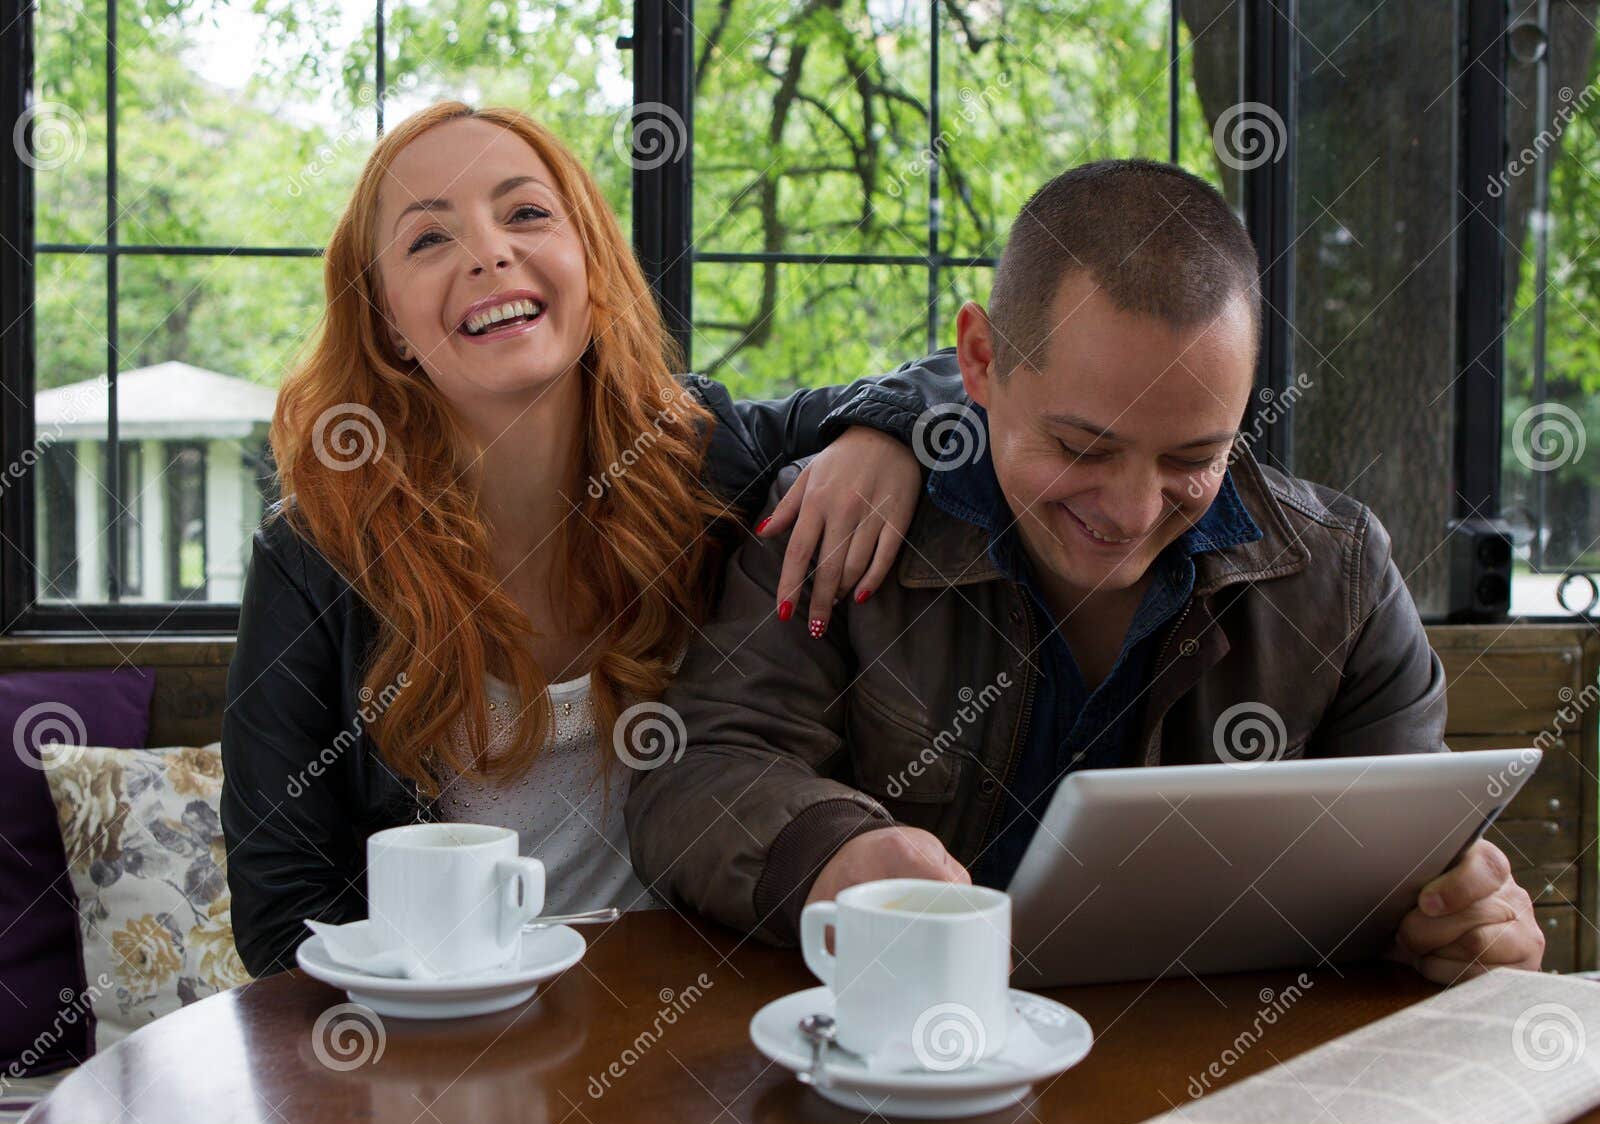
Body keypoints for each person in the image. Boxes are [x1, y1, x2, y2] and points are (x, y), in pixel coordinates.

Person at [623, 159, 1545, 986]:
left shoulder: (1339, 573)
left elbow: (1412, 845)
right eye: (1082, 447)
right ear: (979, 361)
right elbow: (694, 773)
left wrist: (1462, 921)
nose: (1134, 511)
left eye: (1195, 455)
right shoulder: (835, 526)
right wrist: (829, 852)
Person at [219, 100, 932, 978]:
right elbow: (281, 908)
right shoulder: (314, 555)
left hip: (710, 1032)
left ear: (590, 264)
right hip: (445, 1052)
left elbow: (974, 376)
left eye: (525, 213)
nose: (488, 251)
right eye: (429, 239)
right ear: (389, 326)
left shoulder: (710, 454)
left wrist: (886, 432)